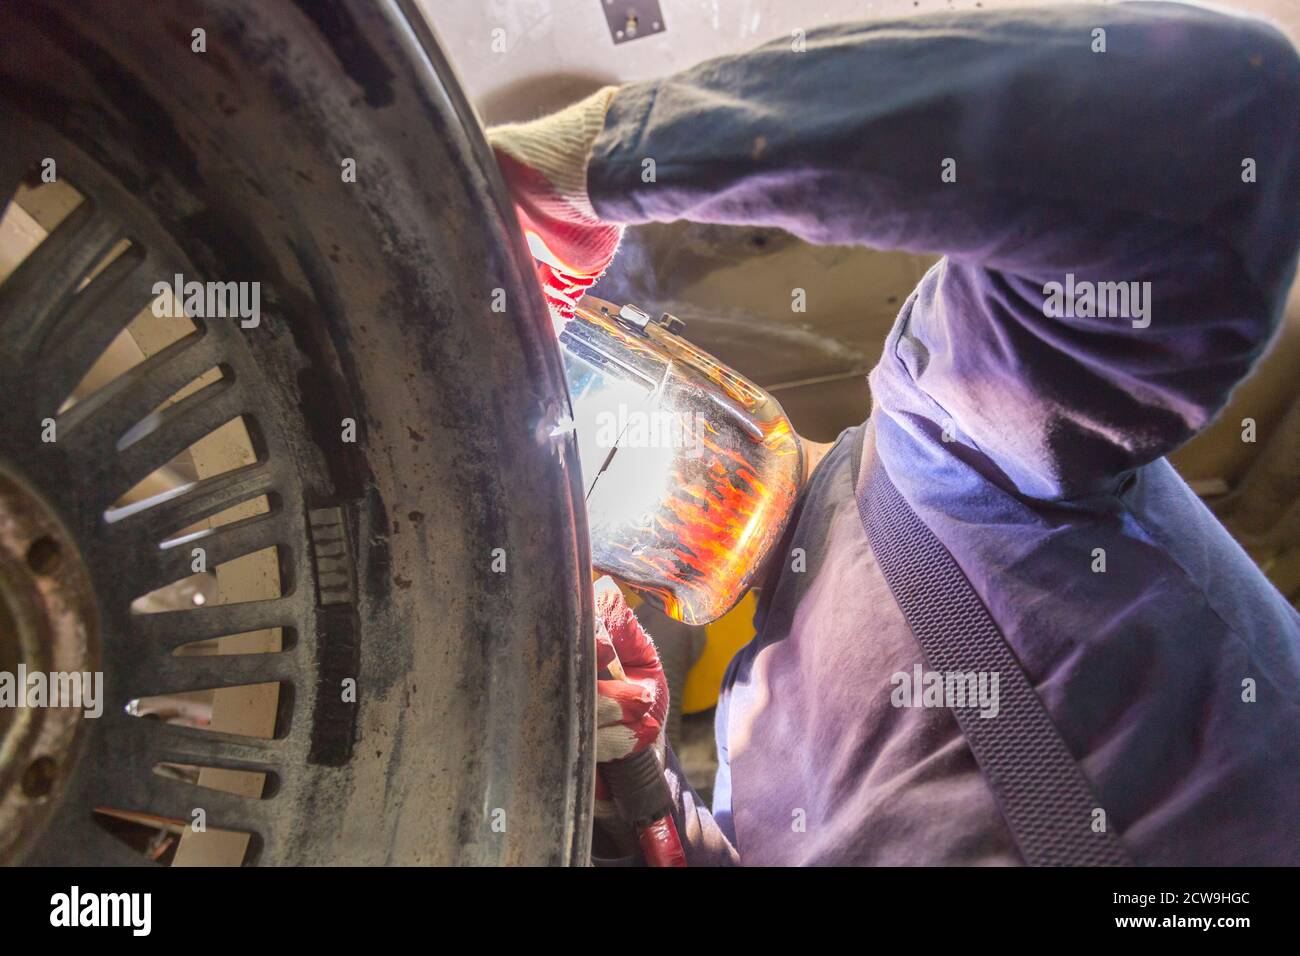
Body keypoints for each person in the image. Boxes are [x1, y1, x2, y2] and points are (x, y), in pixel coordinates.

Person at [488, 2, 1300, 865]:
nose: (596, 463)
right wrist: (643, 790)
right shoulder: (738, 739)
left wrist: (590, 168)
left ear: (680, 359)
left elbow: (1208, 122)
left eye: (593, 406)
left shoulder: (944, 433)